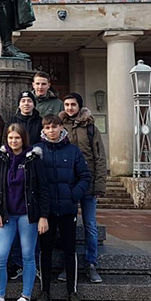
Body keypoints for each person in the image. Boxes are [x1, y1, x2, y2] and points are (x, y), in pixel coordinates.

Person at [0, 124, 49, 301]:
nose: (13, 141)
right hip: (6, 215)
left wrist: (43, 216)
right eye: (10, 138)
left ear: (24, 139)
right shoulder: (1, 158)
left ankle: (26, 297)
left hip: (27, 215)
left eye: (17, 138)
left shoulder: (33, 159)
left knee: (28, 255)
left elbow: (43, 189)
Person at [33, 114, 92, 301]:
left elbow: (84, 176)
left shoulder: (73, 151)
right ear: (44, 129)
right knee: (45, 251)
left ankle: (71, 293)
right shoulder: (37, 151)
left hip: (67, 209)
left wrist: (72, 195)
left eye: (54, 127)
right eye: (48, 127)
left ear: (61, 128)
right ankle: (45, 292)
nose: (51, 130)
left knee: (69, 250)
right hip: (46, 211)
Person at [61, 93, 108, 284]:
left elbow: (99, 157)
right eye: (67, 104)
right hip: (67, 184)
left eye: (73, 104)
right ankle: (68, 264)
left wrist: (99, 184)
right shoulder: (60, 125)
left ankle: (91, 263)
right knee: (67, 226)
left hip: (87, 183)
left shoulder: (90, 128)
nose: (70, 108)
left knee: (90, 224)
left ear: (79, 106)